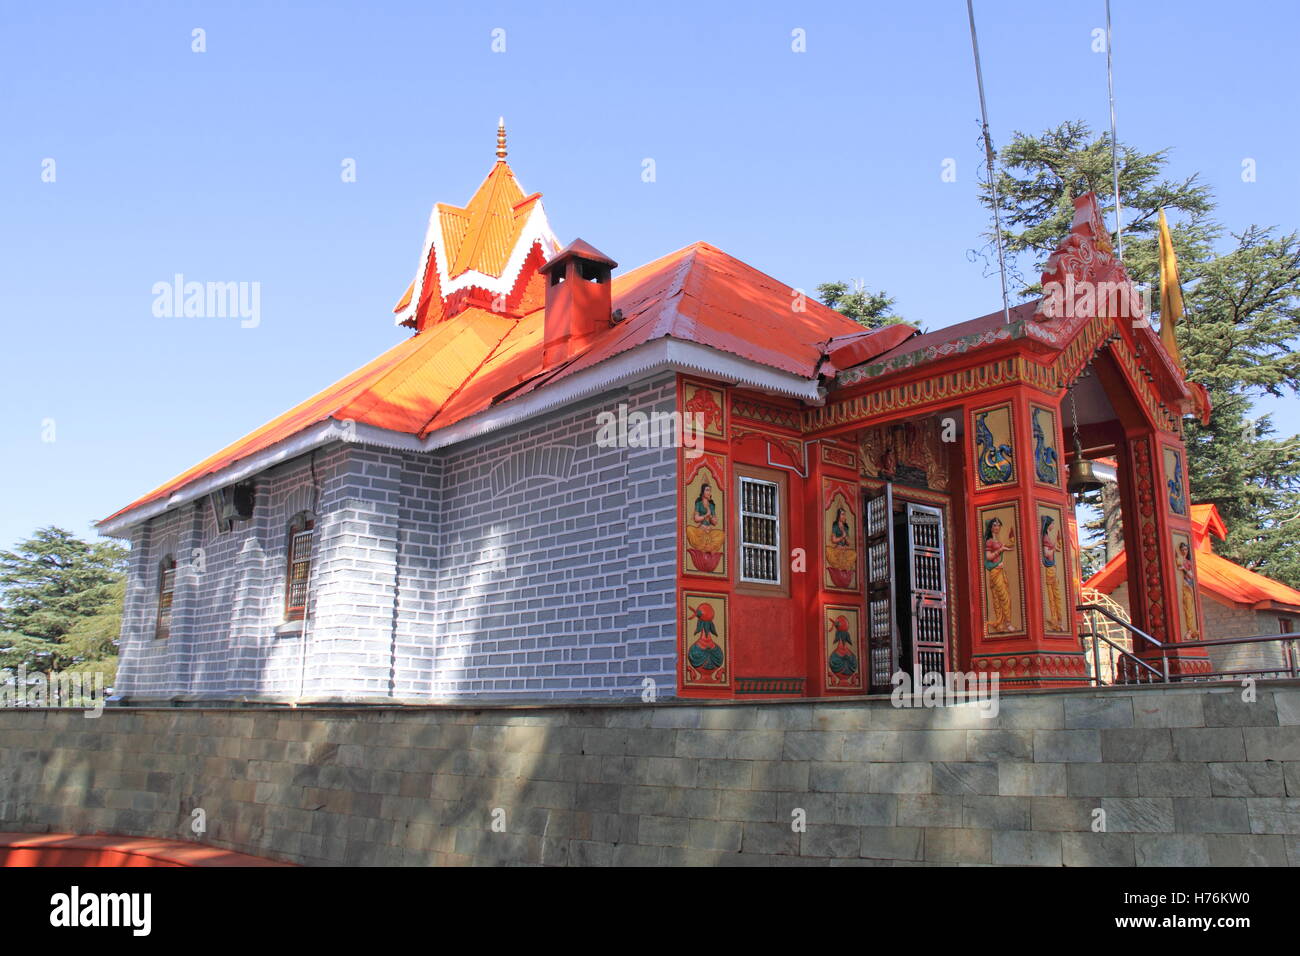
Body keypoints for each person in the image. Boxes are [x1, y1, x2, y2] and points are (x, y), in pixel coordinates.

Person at [984, 517, 1016, 633]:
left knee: (1004, 596)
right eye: (995, 525)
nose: (997, 527)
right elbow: (988, 557)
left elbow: (1004, 547)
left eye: (998, 525)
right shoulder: (989, 541)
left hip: (1000, 571)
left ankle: (1003, 622)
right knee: (1001, 597)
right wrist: (1000, 551)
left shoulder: (996, 540)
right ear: (991, 527)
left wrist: (1009, 546)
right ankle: (1005, 623)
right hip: (995, 571)